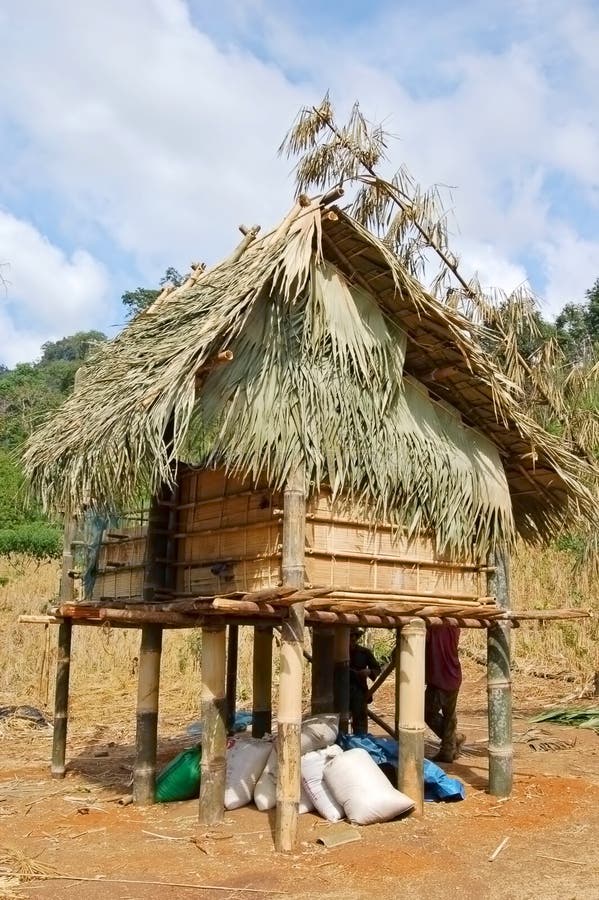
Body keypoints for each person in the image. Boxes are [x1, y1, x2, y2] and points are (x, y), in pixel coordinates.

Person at [424, 624, 465, 763]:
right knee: (449, 715)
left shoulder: (432, 627)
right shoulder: (454, 626)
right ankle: (447, 751)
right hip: (454, 676)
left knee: (427, 712)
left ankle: (451, 742)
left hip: (439, 679)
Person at [349, 628, 381, 735]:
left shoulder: (364, 652)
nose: (352, 638)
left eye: (354, 636)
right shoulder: (336, 651)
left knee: (359, 720)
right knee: (340, 720)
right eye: (350, 636)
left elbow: (377, 669)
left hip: (359, 689)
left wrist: (369, 671)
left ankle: (360, 742)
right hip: (340, 689)